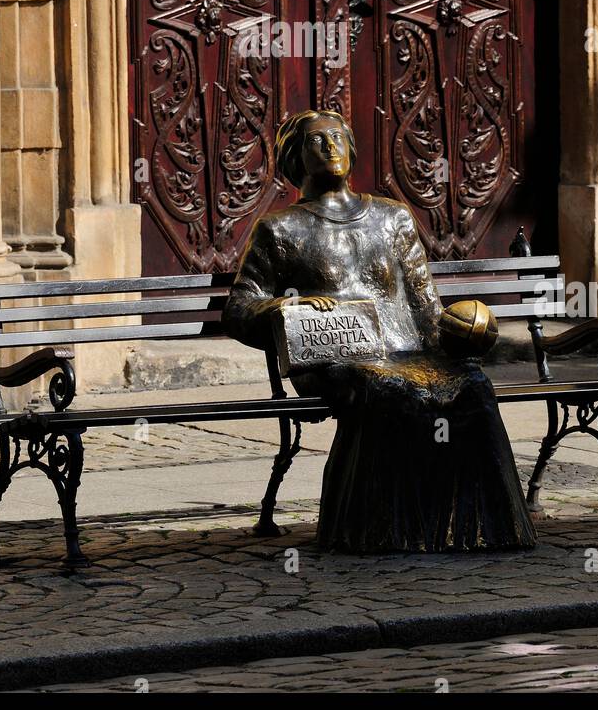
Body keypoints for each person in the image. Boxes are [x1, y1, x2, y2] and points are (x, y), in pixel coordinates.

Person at [223, 109, 536, 553]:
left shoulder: (393, 218)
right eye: (316, 140)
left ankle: (484, 528)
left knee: (473, 386)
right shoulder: (279, 229)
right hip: (334, 358)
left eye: (337, 137)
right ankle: (383, 530)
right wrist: (280, 308)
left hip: (409, 353)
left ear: (351, 149)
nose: (330, 146)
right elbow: (238, 310)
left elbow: (428, 311)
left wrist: (470, 330)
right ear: (295, 157)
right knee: (386, 387)